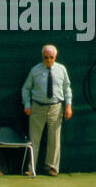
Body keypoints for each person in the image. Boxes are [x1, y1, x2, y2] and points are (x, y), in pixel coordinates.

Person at [21, 44, 73, 178]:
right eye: (46, 57)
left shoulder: (61, 70)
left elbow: (67, 88)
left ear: (55, 57)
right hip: (37, 107)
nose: (49, 60)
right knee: (34, 138)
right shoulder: (35, 70)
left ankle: (52, 167)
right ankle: (31, 168)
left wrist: (68, 106)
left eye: (51, 57)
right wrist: (27, 104)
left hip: (56, 107)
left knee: (55, 138)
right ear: (42, 57)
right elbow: (26, 88)